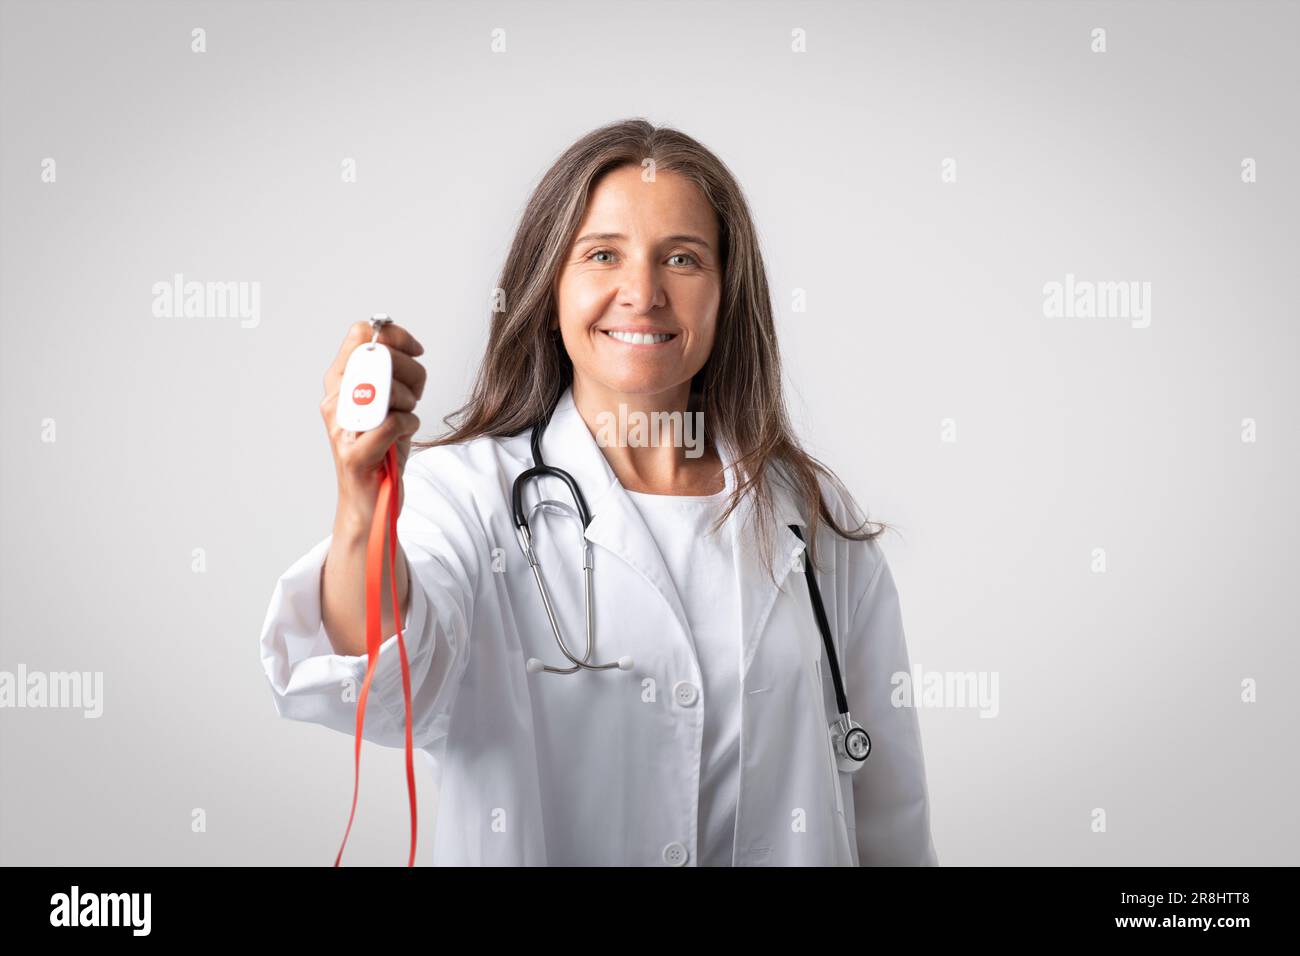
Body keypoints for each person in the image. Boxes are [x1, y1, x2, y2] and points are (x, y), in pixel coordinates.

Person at [259, 118, 939, 867]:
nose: (642, 293)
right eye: (603, 255)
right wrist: (363, 505)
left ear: (725, 293)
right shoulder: (468, 496)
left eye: (681, 259)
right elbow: (383, 679)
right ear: (550, 285)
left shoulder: (812, 520)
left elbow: (889, 811)